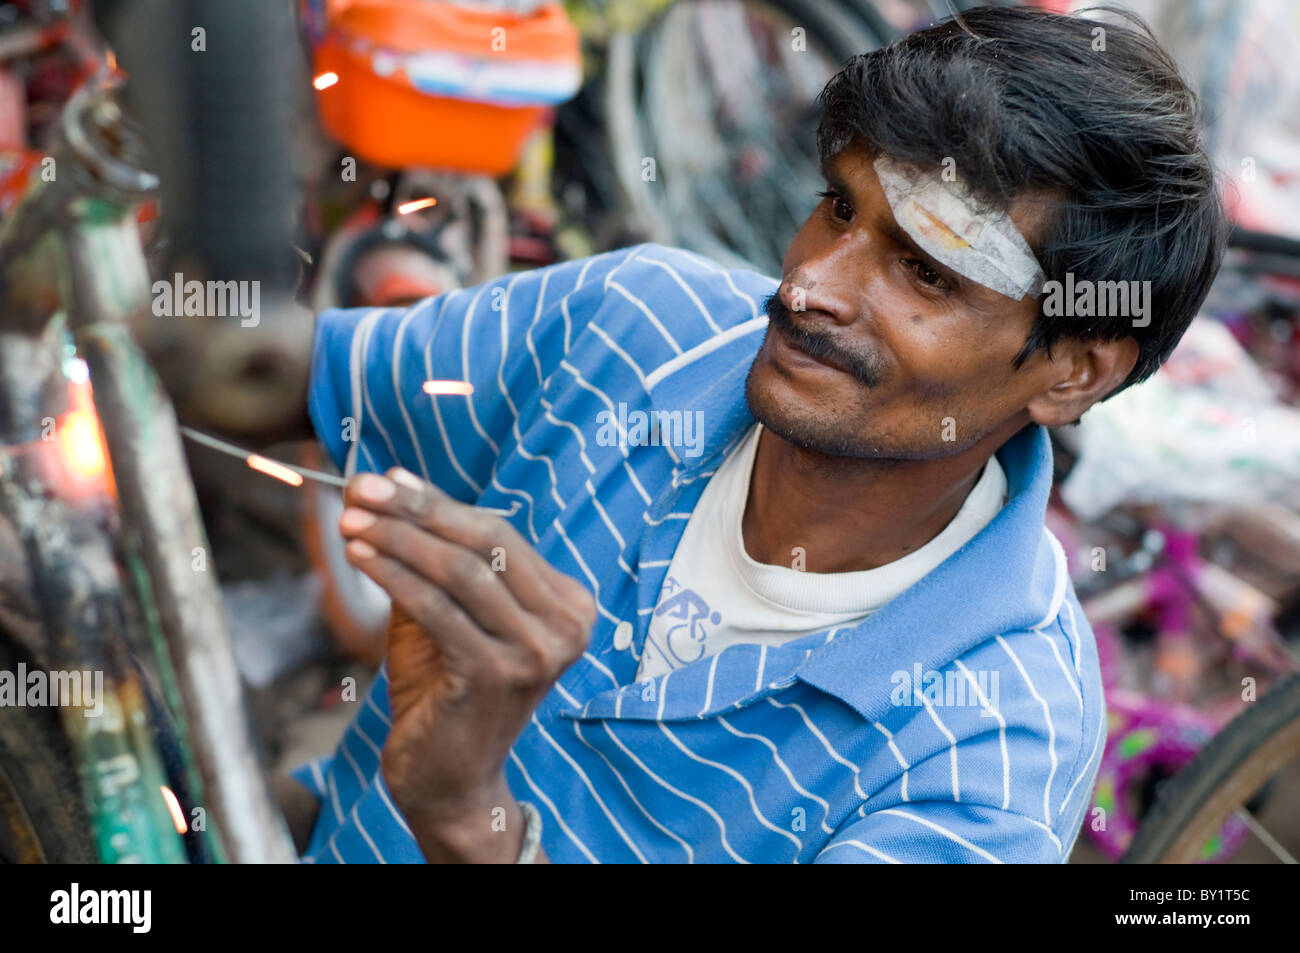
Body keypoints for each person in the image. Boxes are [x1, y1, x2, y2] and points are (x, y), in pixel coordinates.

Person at [283, 5, 1227, 862]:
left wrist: (462, 818)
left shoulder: (987, 751)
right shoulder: (633, 323)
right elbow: (287, 384)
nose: (809, 285)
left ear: (1075, 370)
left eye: (928, 273)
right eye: (839, 208)